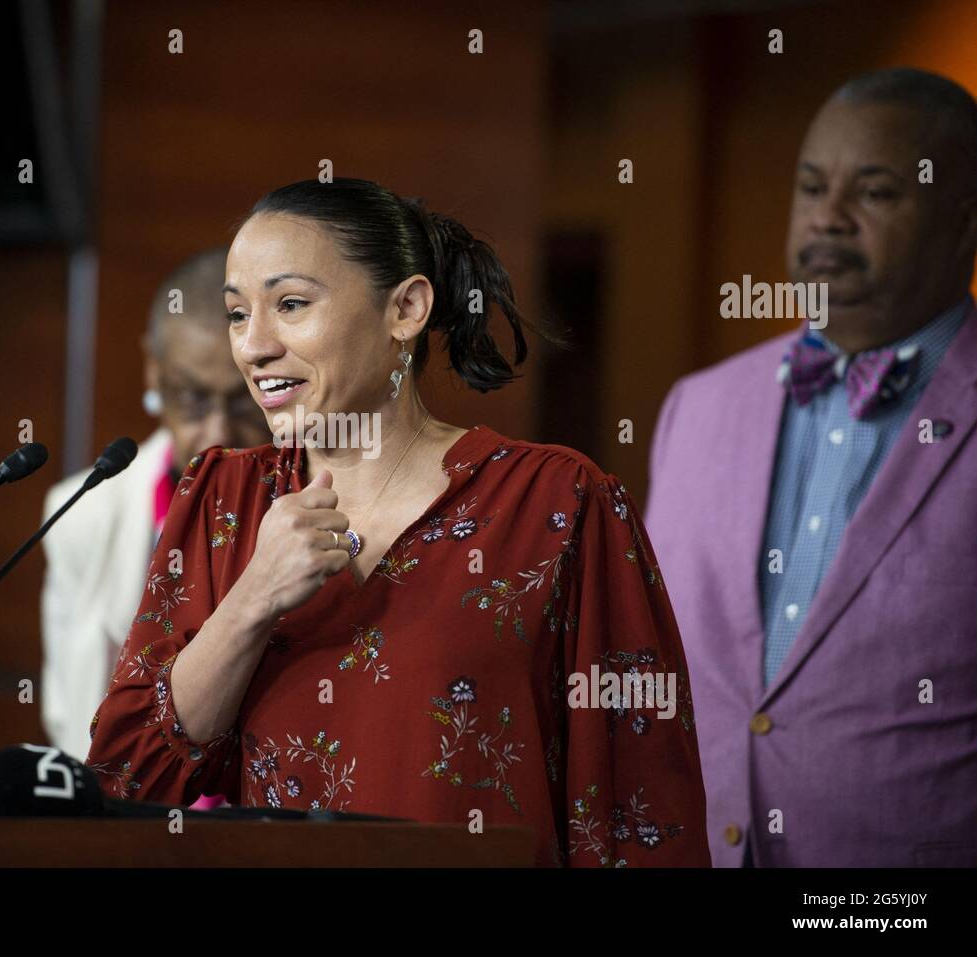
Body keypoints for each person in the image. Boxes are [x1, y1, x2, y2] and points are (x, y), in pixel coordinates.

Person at [85, 178, 710, 867]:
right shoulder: (222, 498)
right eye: (238, 314)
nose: (254, 347)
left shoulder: (557, 501)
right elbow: (127, 777)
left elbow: (641, 806)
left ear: (406, 308)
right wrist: (253, 599)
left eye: (290, 305)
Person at [646, 68, 977, 866]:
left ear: (965, 224)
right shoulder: (697, 404)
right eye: (811, 187)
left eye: (876, 192)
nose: (827, 218)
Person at [40, 247, 268, 766]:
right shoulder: (83, 512)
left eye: (241, 401)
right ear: (154, 372)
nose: (216, 432)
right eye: (192, 398)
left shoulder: (325, 499)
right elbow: (75, 717)